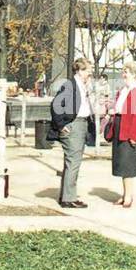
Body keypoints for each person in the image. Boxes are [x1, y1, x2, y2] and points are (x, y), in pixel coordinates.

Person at [47, 56, 95, 208]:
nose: (90, 74)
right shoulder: (70, 85)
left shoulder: (81, 85)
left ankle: (68, 195)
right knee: (73, 162)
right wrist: (61, 125)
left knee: (73, 162)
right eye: (88, 71)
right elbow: (55, 104)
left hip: (81, 125)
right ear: (80, 71)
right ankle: (68, 198)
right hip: (73, 126)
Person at [106, 61, 136, 207]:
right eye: (123, 71)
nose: (123, 74)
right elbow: (119, 108)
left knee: (127, 165)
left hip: (128, 130)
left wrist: (134, 136)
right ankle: (125, 195)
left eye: (126, 72)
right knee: (121, 164)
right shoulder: (124, 90)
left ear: (134, 75)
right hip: (119, 127)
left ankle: (128, 196)